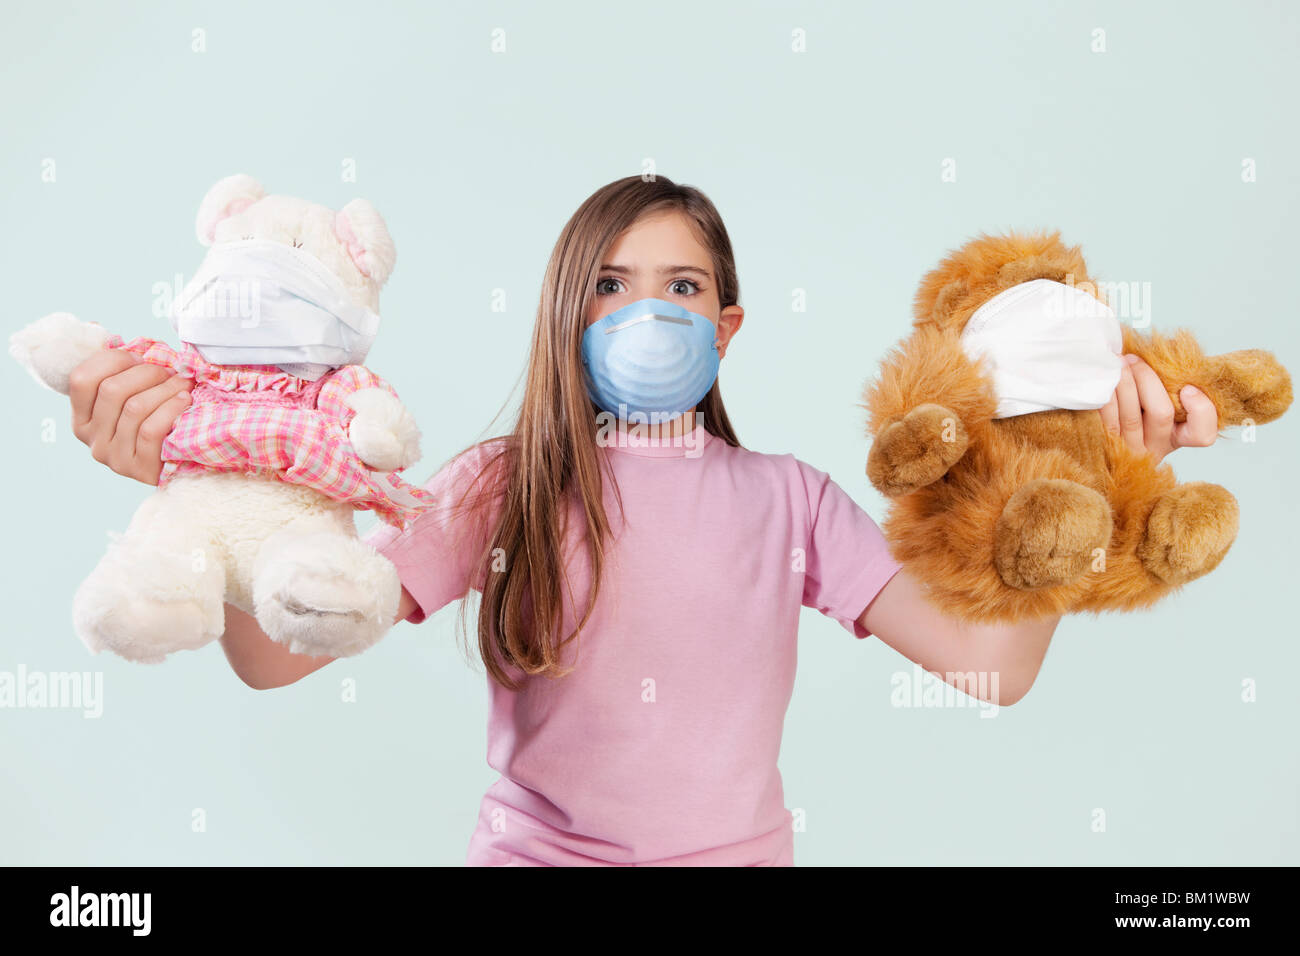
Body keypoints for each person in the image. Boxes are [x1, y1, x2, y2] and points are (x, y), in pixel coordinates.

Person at [64, 175, 1222, 865]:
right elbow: (273, 656)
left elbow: (987, 668)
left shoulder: (791, 500)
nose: (645, 312)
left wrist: (1098, 489)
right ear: (569, 319)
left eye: (679, 287)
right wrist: (194, 486)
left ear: (727, 329)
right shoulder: (498, 482)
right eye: (610, 284)